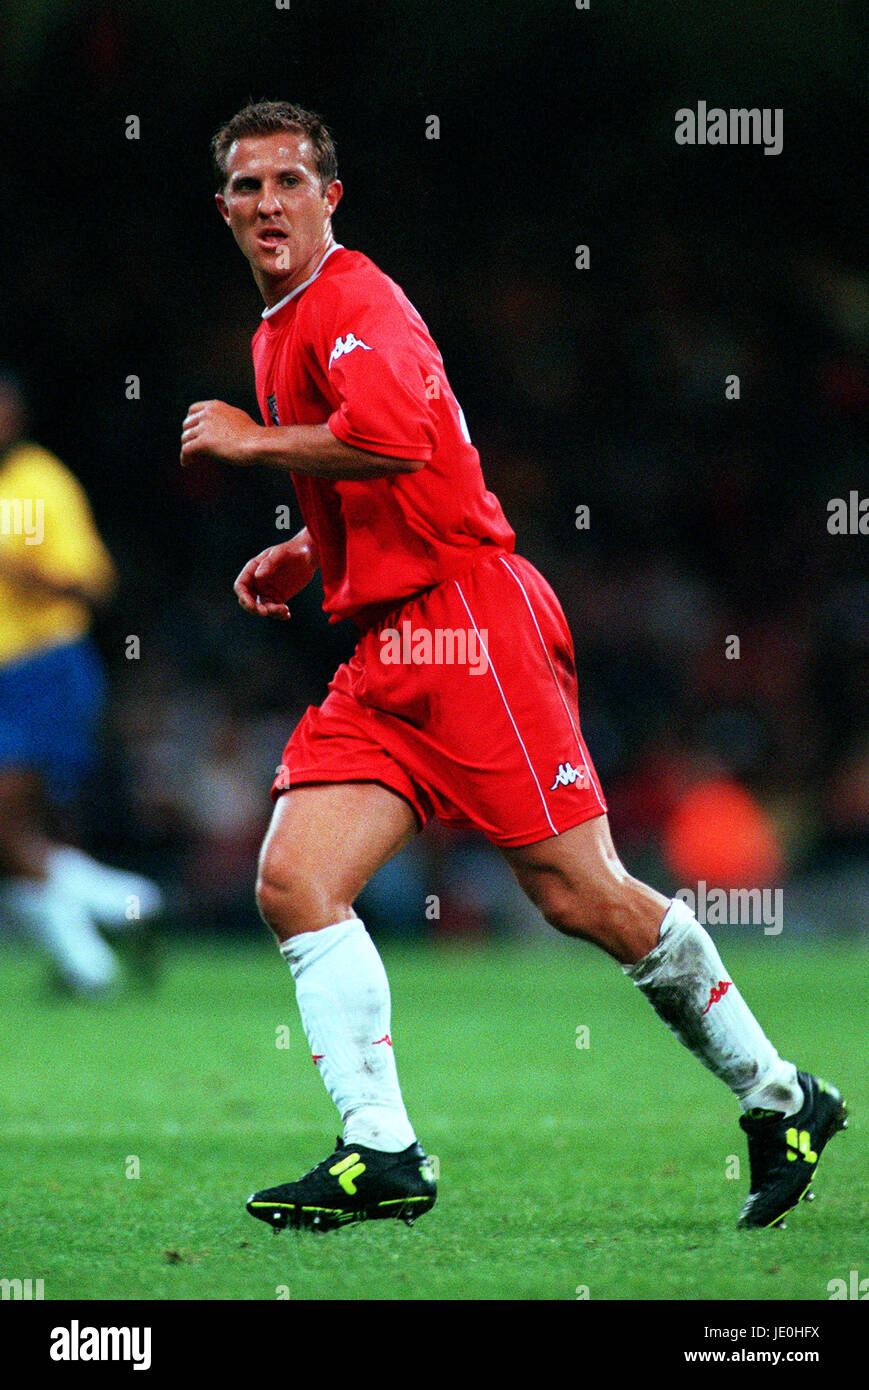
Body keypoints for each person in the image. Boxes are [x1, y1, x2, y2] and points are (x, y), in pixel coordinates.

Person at [181, 102, 846, 1232]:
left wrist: (254, 444)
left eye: (289, 181)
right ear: (224, 208)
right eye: (246, 187)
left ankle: (780, 1096)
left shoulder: (353, 301)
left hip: (466, 629)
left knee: (576, 892)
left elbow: (399, 435)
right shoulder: (283, 322)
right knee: (295, 881)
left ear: (329, 197)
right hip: (387, 644)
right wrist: (309, 547)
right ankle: (380, 1149)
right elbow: (407, 461)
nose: (267, 204)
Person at [0, 372, 162, 996]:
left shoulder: (42, 483)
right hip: (10, 677)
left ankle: (90, 964)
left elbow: (94, 582)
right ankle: (127, 905)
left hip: (42, 669)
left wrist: (28, 574)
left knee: (9, 829)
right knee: (15, 836)